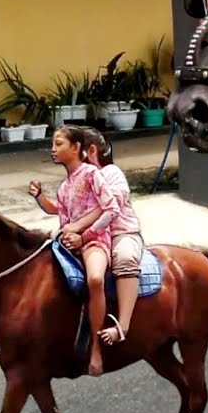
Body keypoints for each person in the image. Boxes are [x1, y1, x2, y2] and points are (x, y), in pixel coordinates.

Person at [28, 125, 119, 376]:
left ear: (76, 147)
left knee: (95, 279)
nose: (53, 149)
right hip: (69, 243)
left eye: (58, 144)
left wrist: (84, 235)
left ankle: (97, 349)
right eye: (53, 144)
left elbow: (111, 208)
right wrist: (39, 196)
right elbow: (57, 210)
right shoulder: (65, 186)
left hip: (94, 242)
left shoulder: (92, 174)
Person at [63, 127, 144, 346]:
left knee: (124, 257)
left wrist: (82, 233)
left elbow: (109, 208)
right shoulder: (79, 179)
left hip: (120, 233)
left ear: (90, 151)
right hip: (94, 237)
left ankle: (123, 326)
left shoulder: (111, 173)